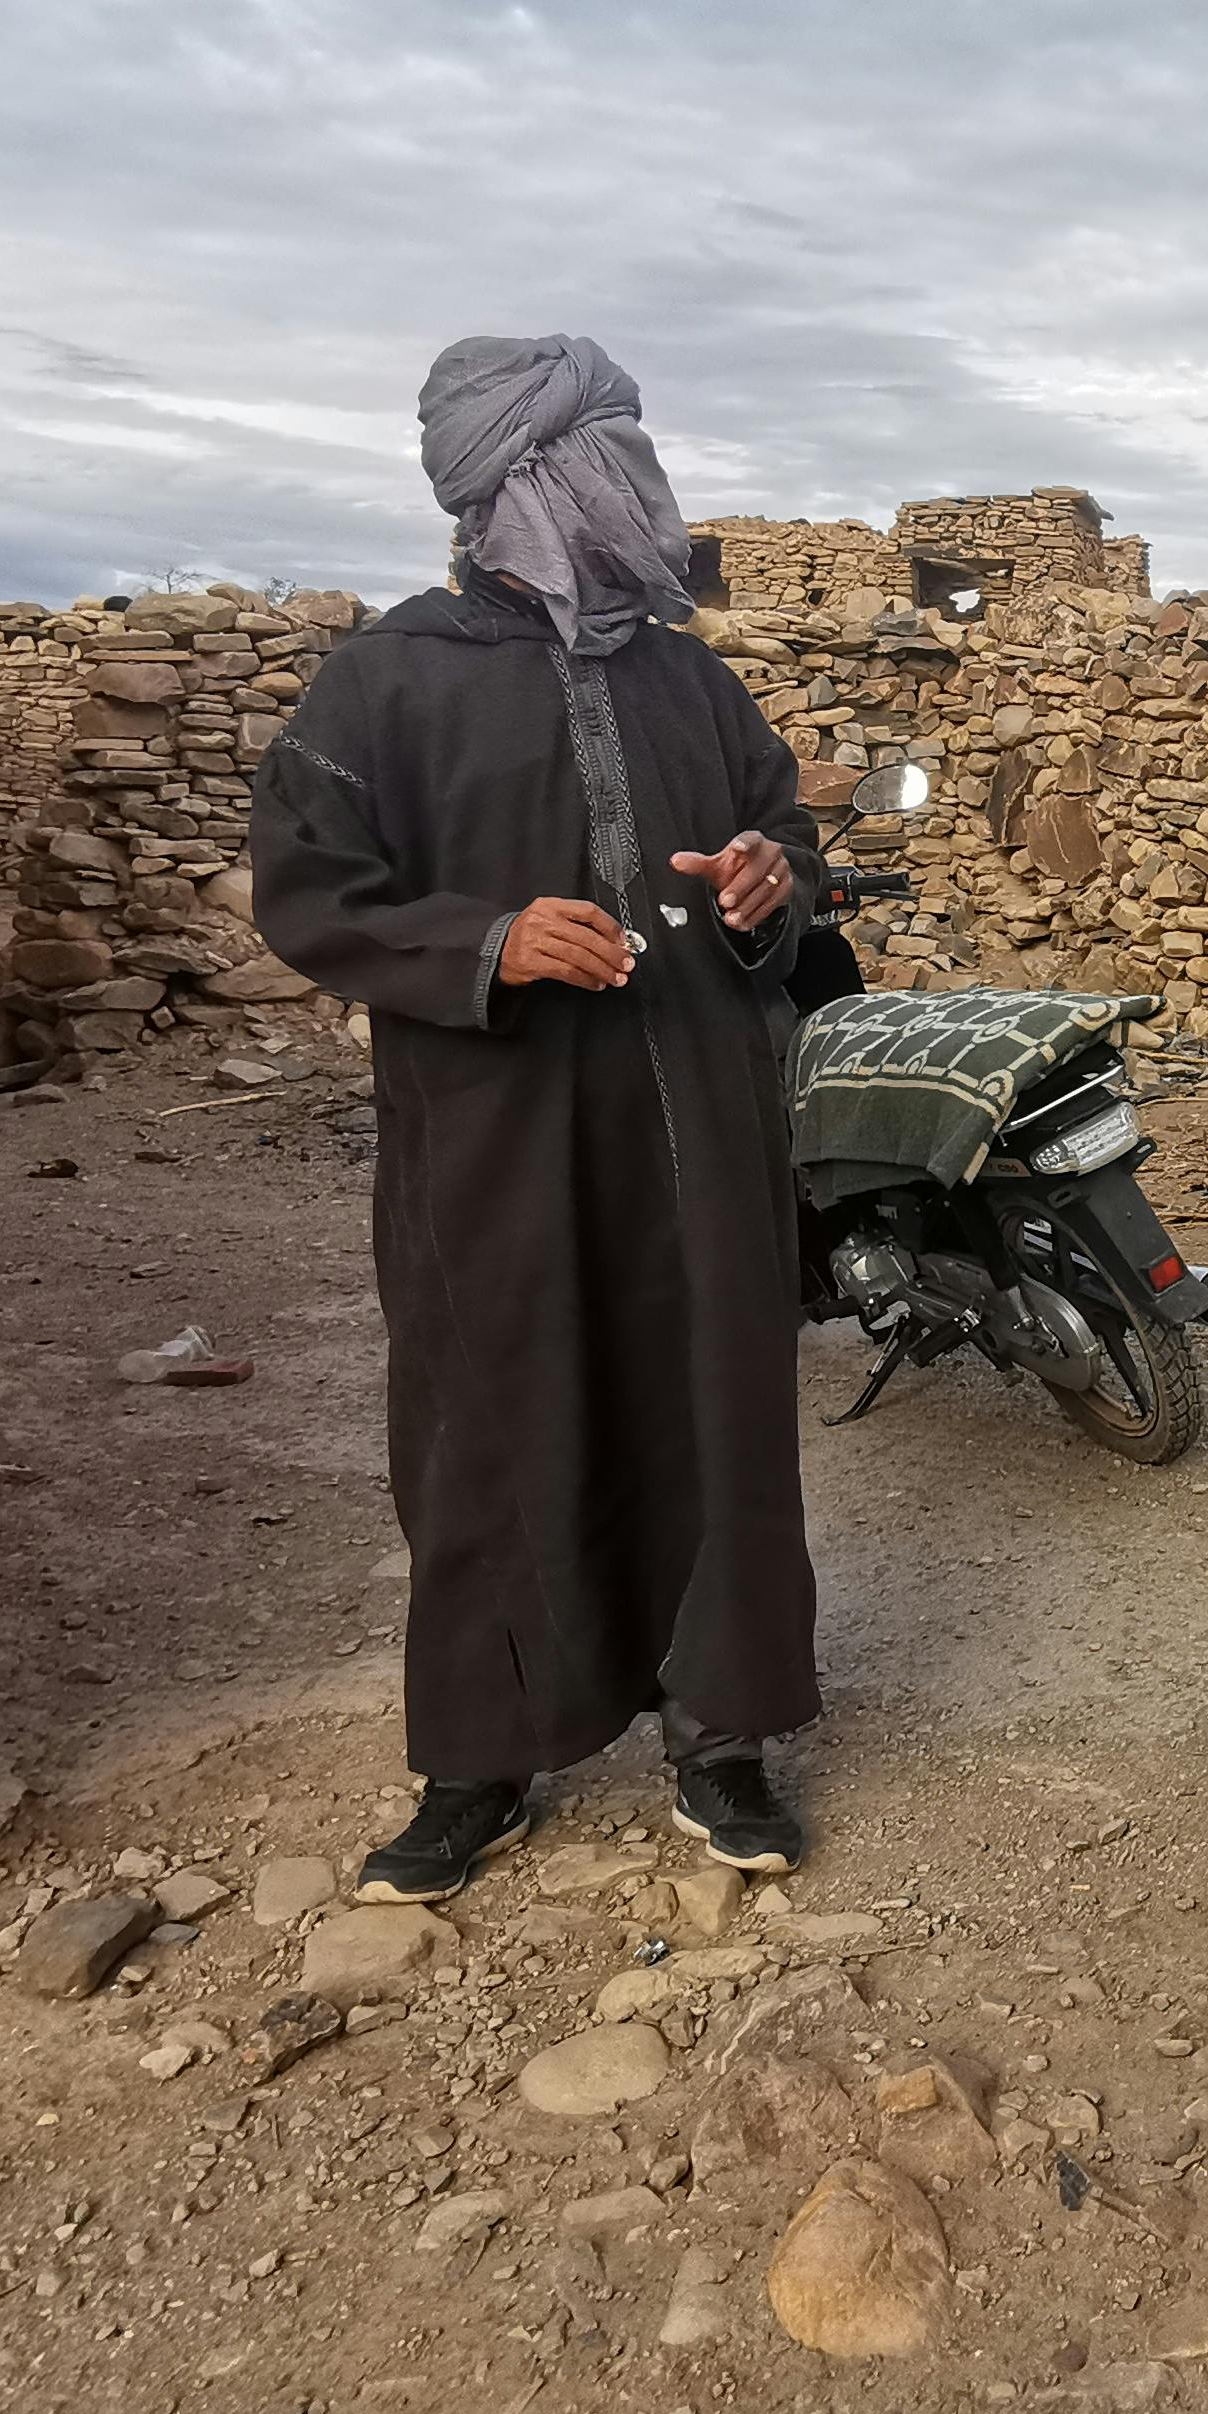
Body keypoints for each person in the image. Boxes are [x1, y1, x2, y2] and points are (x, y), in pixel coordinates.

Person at [249, 333, 825, 1895]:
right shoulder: (385, 682)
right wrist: (488, 942)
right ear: (522, 485)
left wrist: (776, 879)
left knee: (711, 1402)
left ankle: (723, 1737)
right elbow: (308, 893)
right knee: (489, 1416)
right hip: (495, 1129)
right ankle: (479, 1763)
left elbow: (781, 833)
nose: (641, 490)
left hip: (698, 1116)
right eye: (607, 460)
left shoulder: (686, 674)